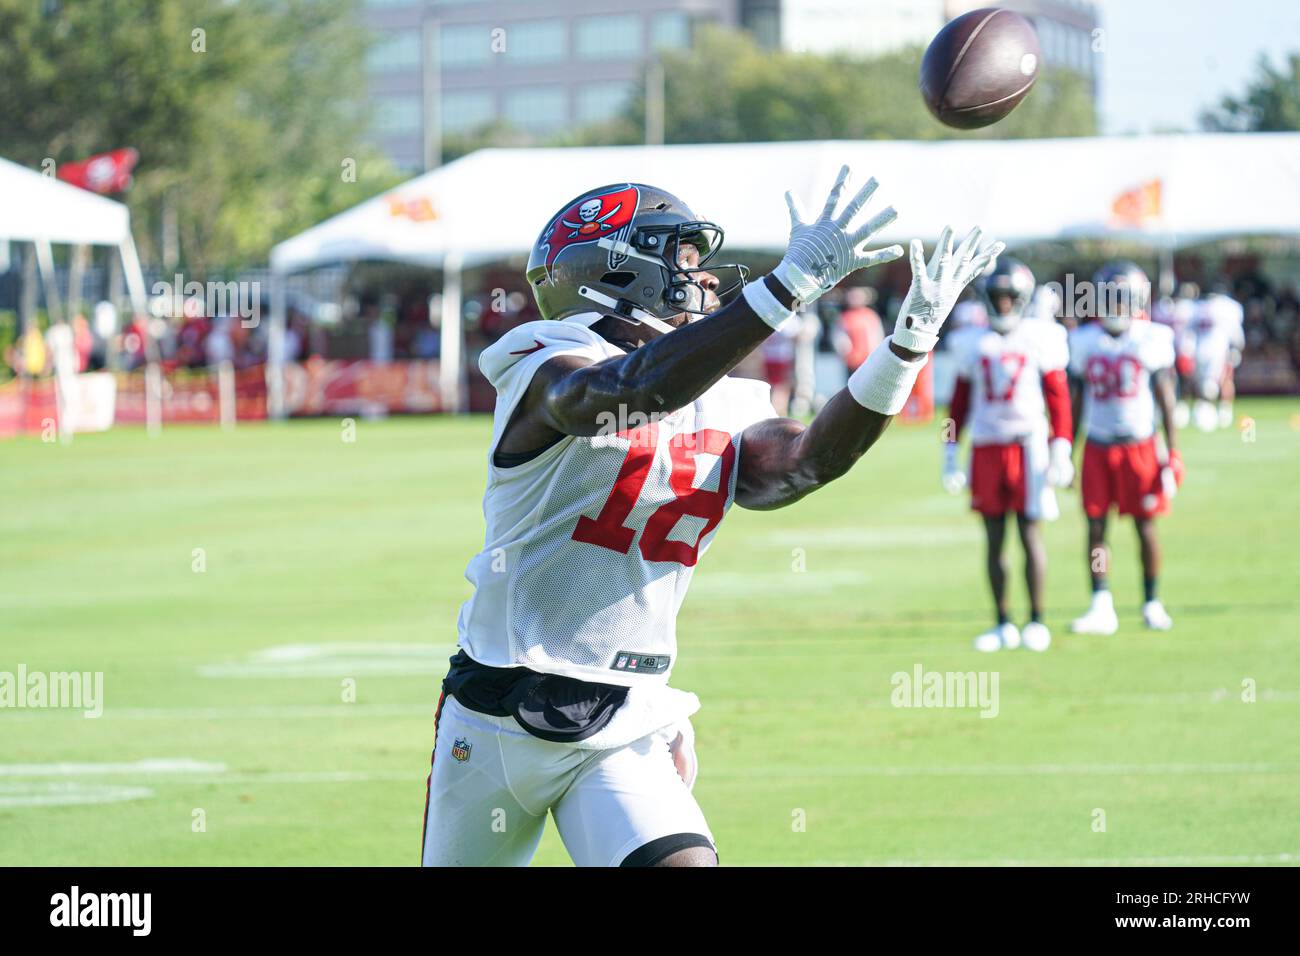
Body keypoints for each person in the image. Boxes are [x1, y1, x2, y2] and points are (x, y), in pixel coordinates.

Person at [420, 168, 1004, 867]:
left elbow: (806, 463)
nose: (700, 278)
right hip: (496, 719)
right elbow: (619, 392)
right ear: (614, 269)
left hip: (625, 716)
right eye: (682, 258)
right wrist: (785, 287)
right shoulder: (542, 355)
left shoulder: (724, 401)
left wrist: (907, 342)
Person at [942, 258, 1074, 652]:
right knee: (994, 538)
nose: (1002, 304)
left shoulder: (1040, 337)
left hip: (1027, 445)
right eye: (996, 297)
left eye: (1009, 297)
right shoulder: (973, 341)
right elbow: (958, 405)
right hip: (986, 446)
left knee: (1030, 534)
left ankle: (1036, 619)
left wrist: (1061, 448)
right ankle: (1002, 622)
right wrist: (949, 450)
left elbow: (1059, 399)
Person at [1067, 262, 1182, 635]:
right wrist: (1068, 450)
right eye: (1110, 298)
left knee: (1145, 525)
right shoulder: (1085, 340)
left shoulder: (1152, 337)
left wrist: (1173, 453)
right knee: (1097, 527)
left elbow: (1165, 398)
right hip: (1099, 447)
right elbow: (1078, 399)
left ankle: (1151, 601)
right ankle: (1101, 602)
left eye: (1123, 297)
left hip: (1140, 445)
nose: (1116, 305)